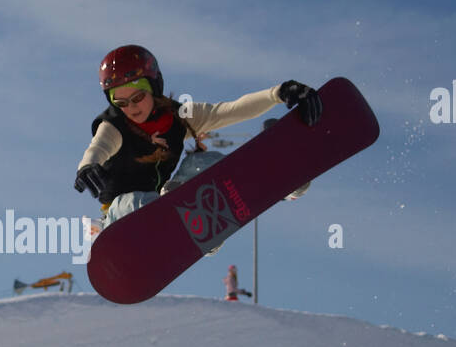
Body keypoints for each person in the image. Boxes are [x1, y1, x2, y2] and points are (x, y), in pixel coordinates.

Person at [74, 45, 322, 247]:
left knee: (204, 164)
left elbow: (229, 111)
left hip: (167, 201)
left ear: (155, 87)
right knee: (136, 202)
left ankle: (275, 181)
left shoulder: (178, 116)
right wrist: (87, 167)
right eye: (121, 101)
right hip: (120, 218)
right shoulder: (115, 126)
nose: (132, 107)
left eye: (138, 97)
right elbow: (98, 148)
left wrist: (278, 93)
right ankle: (172, 214)